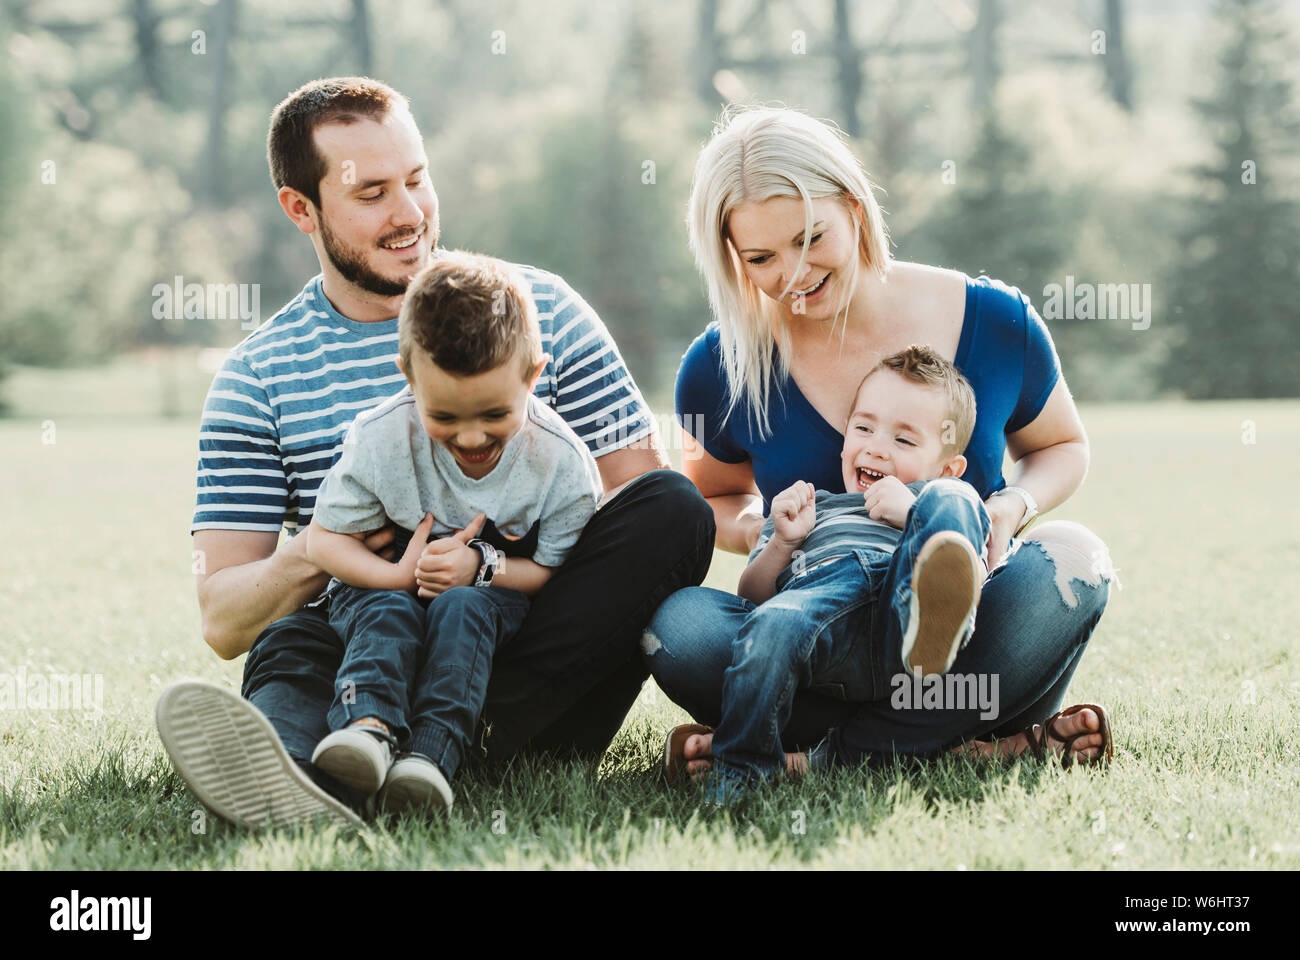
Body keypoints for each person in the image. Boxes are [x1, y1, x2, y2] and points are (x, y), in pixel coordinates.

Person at [155, 77, 714, 831]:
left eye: (417, 179)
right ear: (302, 209)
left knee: (674, 509)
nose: (410, 213)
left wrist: (494, 558)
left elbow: (636, 519)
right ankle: (299, 771)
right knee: (289, 636)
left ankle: (435, 747)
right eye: (373, 192)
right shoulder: (258, 377)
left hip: (517, 645)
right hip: (358, 643)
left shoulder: (541, 311)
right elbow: (224, 620)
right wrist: (329, 549)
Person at [645, 105, 1117, 783]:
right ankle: (970, 745)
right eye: (760, 258)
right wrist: (767, 534)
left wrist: (1010, 508)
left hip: (962, 657)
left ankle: (801, 753)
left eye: (811, 239)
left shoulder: (996, 319)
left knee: (1077, 559)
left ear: (854, 208)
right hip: (815, 646)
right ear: (730, 256)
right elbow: (712, 496)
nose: (793, 274)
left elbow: (1063, 446)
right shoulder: (720, 364)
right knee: (683, 626)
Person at [304, 251, 603, 816]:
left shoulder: (560, 463)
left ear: (533, 376)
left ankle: (430, 757)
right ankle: (367, 731)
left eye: (494, 414)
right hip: (386, 573)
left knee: (464, 609)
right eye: (443, 417)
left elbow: (551, 572)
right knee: (385, 610)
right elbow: (324, 540)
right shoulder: (379, 439)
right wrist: (394, 575)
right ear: (409, 377)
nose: (470, 438)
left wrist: (480, 568)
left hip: (491, 587)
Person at [669, 345, 993, 805]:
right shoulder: (812, 507)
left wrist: (917, 514)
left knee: (957, 500)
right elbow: (753, 597)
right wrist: (783, 541)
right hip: (819, 623)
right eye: (863, 427)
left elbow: (979, 572)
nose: (877, 447)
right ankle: (742, 768)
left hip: (896, 616)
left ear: (946, 463)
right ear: (845, 437)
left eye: (904, 440)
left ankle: (930, 621)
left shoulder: (936, 494)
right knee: (772, 621)